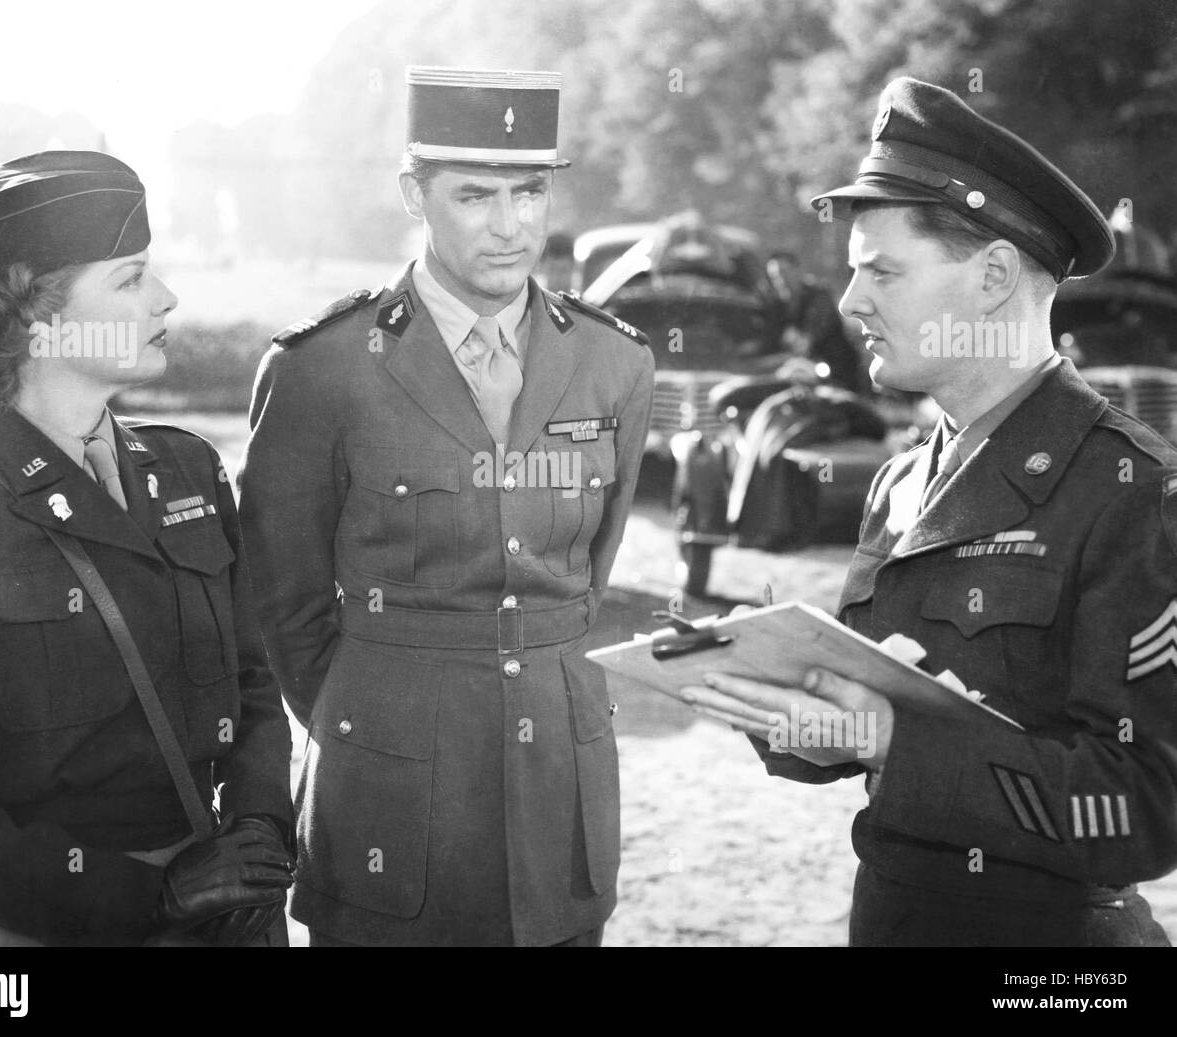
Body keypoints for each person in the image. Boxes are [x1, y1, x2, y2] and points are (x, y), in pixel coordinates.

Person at [682, 78, 1177, 946]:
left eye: (883, 271)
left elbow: (1143, 803)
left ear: (992, 276)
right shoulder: (902, 481)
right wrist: (791, 701)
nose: (848, 303)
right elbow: (872, 713)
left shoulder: (1134, 491)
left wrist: (889, 741)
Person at [240, 66, 655, 947]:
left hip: (560, 789)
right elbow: (285, 599)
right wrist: (378, 713)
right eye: (474, 195)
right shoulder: (324, 368)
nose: (510, 226)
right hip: (390, 792)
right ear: (413, 194)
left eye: (530, 191)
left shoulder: (617, 363)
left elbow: (588, 575)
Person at [0, 151, 295, 947]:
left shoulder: (190, 468)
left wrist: (259, 828)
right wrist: (151, 893)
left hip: (226, 920)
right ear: (39, 315)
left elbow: (253, 683)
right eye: (131, 278)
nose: (165, 296)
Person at [765, 250, 863, 390]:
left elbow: (808, 339)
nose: (781, 279)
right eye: (775, 276)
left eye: (785, 272)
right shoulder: (777, 305)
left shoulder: (819, 296)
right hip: (803, 366)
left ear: (798, 270)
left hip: (834, 368)